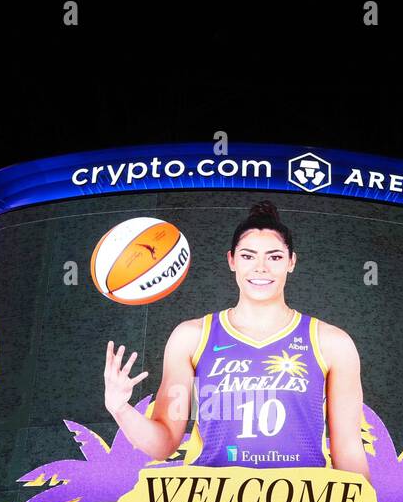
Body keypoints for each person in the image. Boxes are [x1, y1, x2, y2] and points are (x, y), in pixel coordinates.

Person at [103, 201, 369, 477]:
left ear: (292, 262)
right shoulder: (192, 337)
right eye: (248, 256)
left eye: (275, 257)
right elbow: (164, 444)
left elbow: (348, 449)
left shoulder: (332, 343)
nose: (261, 268)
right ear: (231, 260)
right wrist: (120, 408)